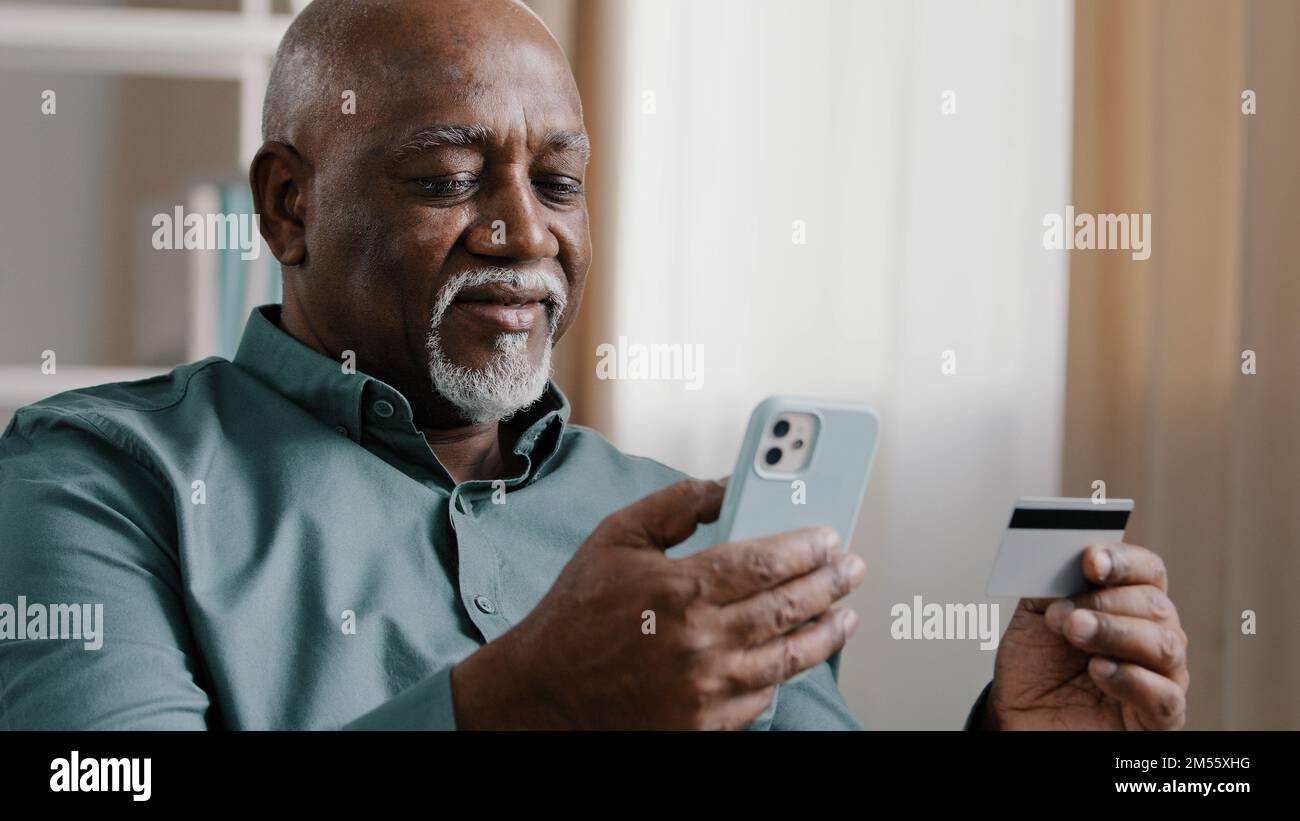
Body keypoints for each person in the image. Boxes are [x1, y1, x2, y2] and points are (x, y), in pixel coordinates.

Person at [0, 0, 1188, 730]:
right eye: (447, 176)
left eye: (558, 182)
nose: (526, 233)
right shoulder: (97, 479)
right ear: (288, 204)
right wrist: (521, 709)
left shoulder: (669, 522)